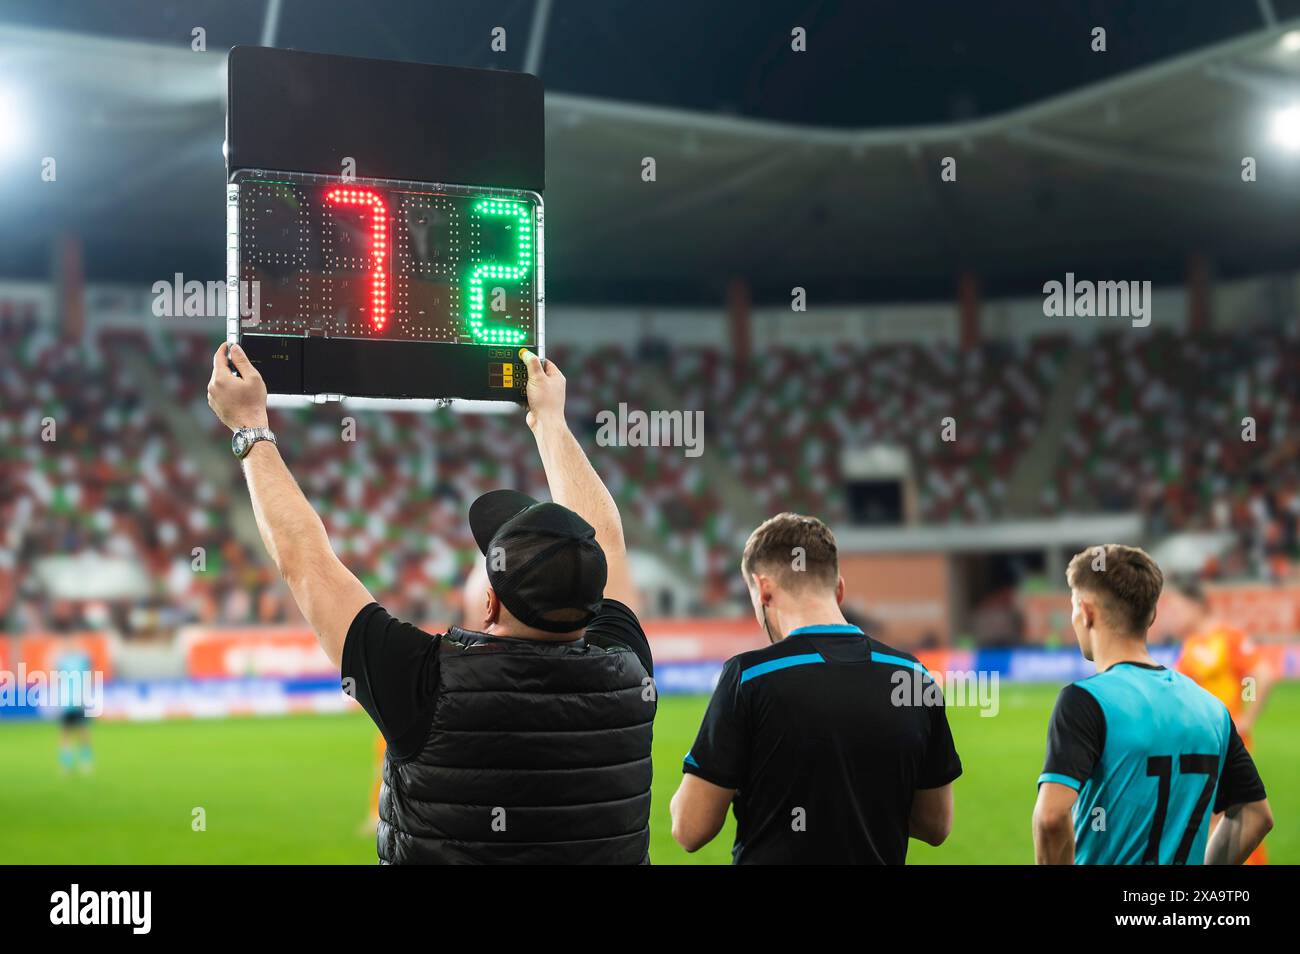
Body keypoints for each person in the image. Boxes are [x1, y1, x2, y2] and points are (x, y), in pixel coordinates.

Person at [207, 343, 654, 864]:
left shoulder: (427, 681)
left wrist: (249, 427)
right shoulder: (627, 671)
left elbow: (306, 562)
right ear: (594, 599)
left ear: (489, 603)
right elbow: (610, 541)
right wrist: (550, 420)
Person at [669, 512, 961, 864]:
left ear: (762, 588)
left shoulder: (750, 677)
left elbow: (690, 828)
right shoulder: (914, 676)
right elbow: (936, 824)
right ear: (840, 588)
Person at [1033, 545, 1272, 865]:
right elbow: (1257, 816)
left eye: (1075, 605)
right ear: (1152, 615)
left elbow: (1051, 819)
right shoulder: (1213, 709)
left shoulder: (1085, 701)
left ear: (1087, 612)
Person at [1173, 578, 1276, 864]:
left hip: (1229, 743)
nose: (1174, 614)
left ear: (1196, 606)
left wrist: (1246, 716)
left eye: (1179, 607)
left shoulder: (1228, 638)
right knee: (1216, 820)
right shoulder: (1191, 646)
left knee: (1238, 816)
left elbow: (1260, 674)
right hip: (1204, 746)